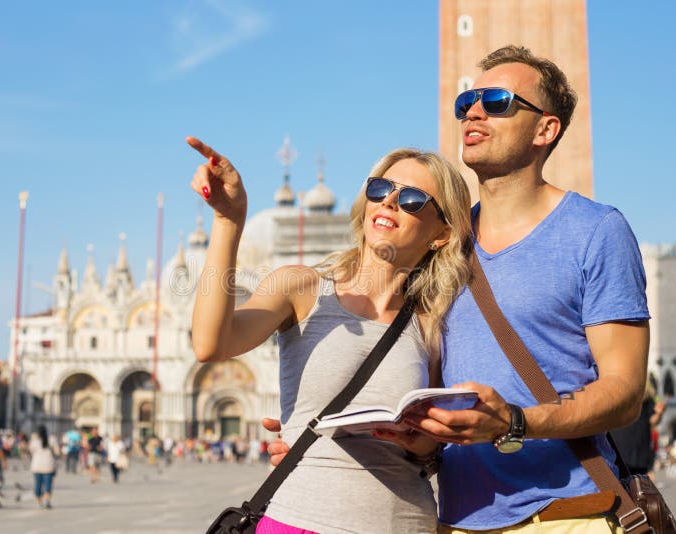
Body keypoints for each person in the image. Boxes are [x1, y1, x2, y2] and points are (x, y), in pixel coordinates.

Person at [397, 45, 650, 533]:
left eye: (497, 101)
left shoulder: (597, 230)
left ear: (545, 129)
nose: (473, 109)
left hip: (570, 514)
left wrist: (514, 423)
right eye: (467, 101)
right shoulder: (443, 243)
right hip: (460, 520)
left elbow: (624, 391)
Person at [187, 135, 472, 533]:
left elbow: (433, 448)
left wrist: (416, 439)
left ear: (441, 233)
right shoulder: (302, 288)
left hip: (405, 523)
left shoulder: (433, 321)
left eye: (412, 200)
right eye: (380, 189)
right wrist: (228, 221)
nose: (389, 201)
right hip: (301, 520)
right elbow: (210, 343)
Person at [610, 380, 665, 480]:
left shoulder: (646, 397)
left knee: (638, 489)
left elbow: (653, 420)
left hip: (639, 452)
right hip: (618, 449)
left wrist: (659, 413)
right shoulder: (613, 391)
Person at [29, 425, 59, 509]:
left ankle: (39, 503)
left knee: (38, 485)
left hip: (37, 466)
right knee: (48, 485)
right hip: (48, 465)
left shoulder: (35, 441)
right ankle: (47, 501)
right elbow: (57, 452)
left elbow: (30, 451)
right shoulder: (52, 440)